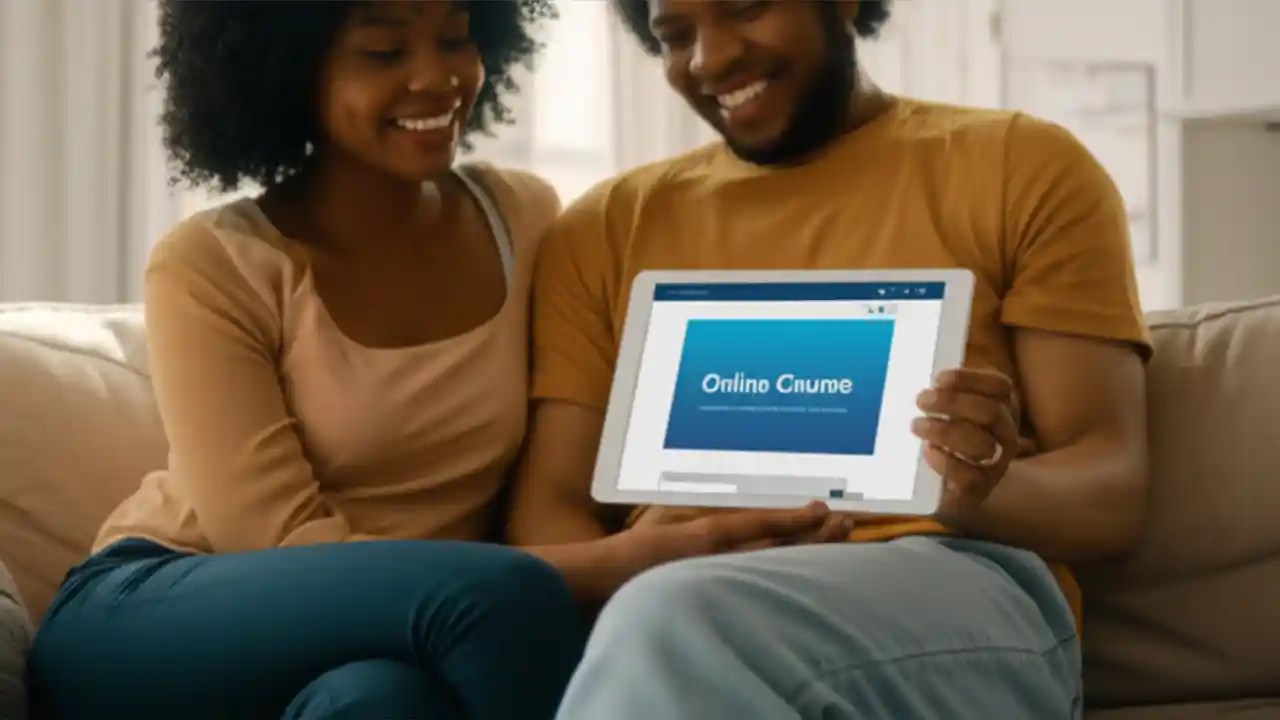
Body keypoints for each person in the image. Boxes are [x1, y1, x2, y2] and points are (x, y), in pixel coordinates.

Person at [26, 2, 853, 718]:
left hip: (405, 637)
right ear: (286, 69)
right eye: (385, 53)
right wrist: (624, 562)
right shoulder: (214, 263)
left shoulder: (521, 217)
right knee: (506, 594)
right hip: (162, 610)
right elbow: (277, 548)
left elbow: (575, 434)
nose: (438, 78)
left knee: (381, 703)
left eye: (457, 38)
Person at [512, 1, 1153, 718]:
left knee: (676, 621)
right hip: (674, 600)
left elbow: (1110, 496)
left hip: (954, 585)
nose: (710, 58)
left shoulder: (1020, 165)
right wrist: (650, 556)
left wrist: (960, 487)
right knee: (668, 617)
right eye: (676, 35)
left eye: (744, 8)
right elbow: (550, 515)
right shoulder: (605, 227)